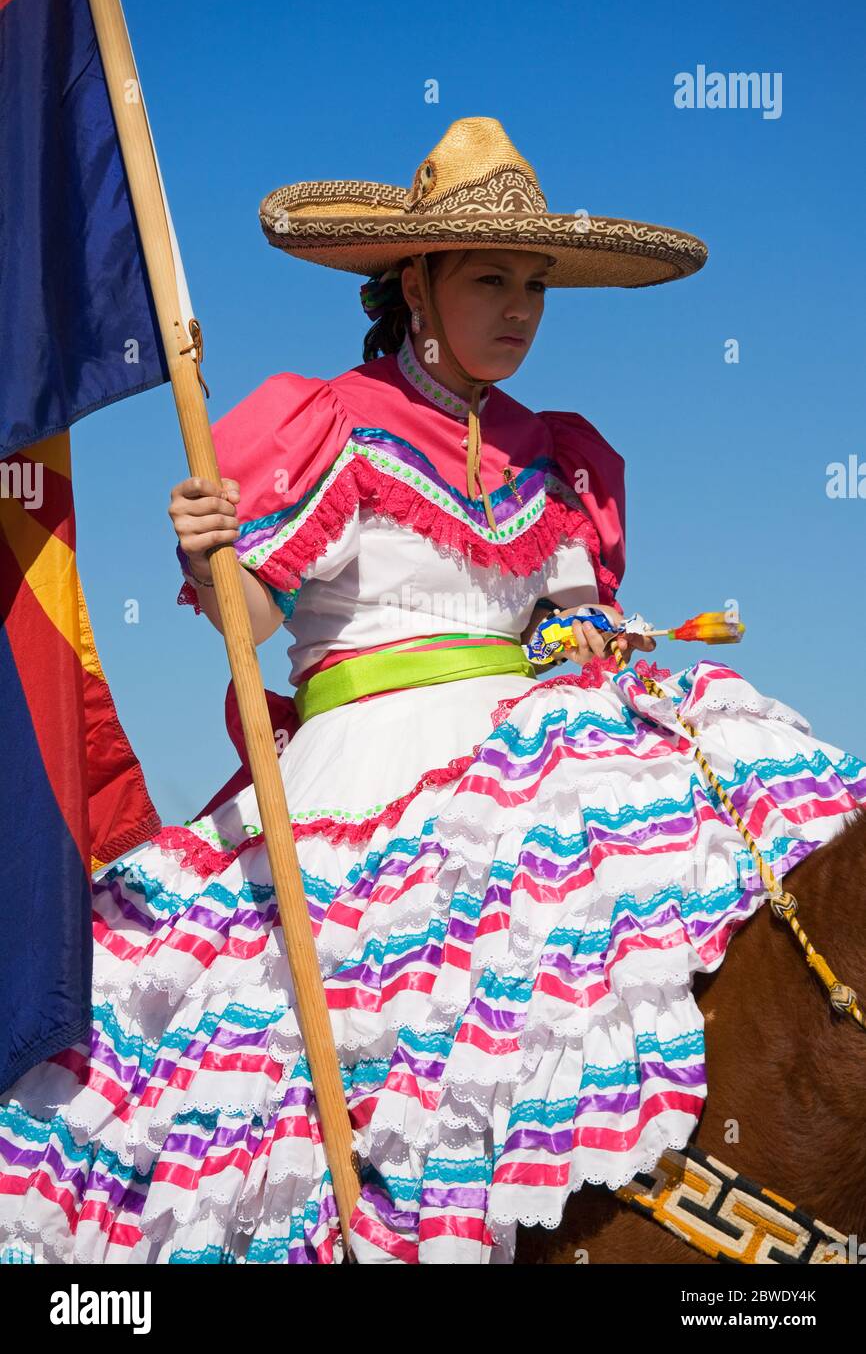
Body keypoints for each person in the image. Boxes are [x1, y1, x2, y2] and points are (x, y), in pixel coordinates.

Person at [1, 117, 864, 1266]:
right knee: (338, 1067)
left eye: (534, 283)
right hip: (362, 776)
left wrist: (588, 640)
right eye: (489, 279)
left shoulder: (557, 454)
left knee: (581, 992)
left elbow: (558, 628)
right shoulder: (328, 422)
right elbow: (253, 622)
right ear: (415, 283)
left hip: (527, 765)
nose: (518, 307)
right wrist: (217, 552)